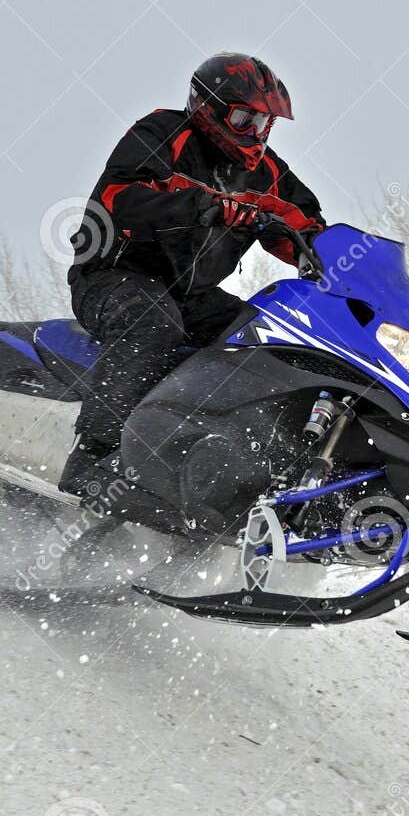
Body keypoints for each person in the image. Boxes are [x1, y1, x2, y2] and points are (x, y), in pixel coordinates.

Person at [59, 53, 325, 496]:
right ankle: (93, 456)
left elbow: (305, 225)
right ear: (209, 106)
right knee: (153, 322)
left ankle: (238, 467)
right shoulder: (163, 133)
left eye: (265, 123)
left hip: (189, 294)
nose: (257, 133)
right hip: (113, 276)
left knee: (267, 340)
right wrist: (205, 206)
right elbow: (120, 196)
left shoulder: (267, 174)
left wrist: (335, 263)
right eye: (245, 118)